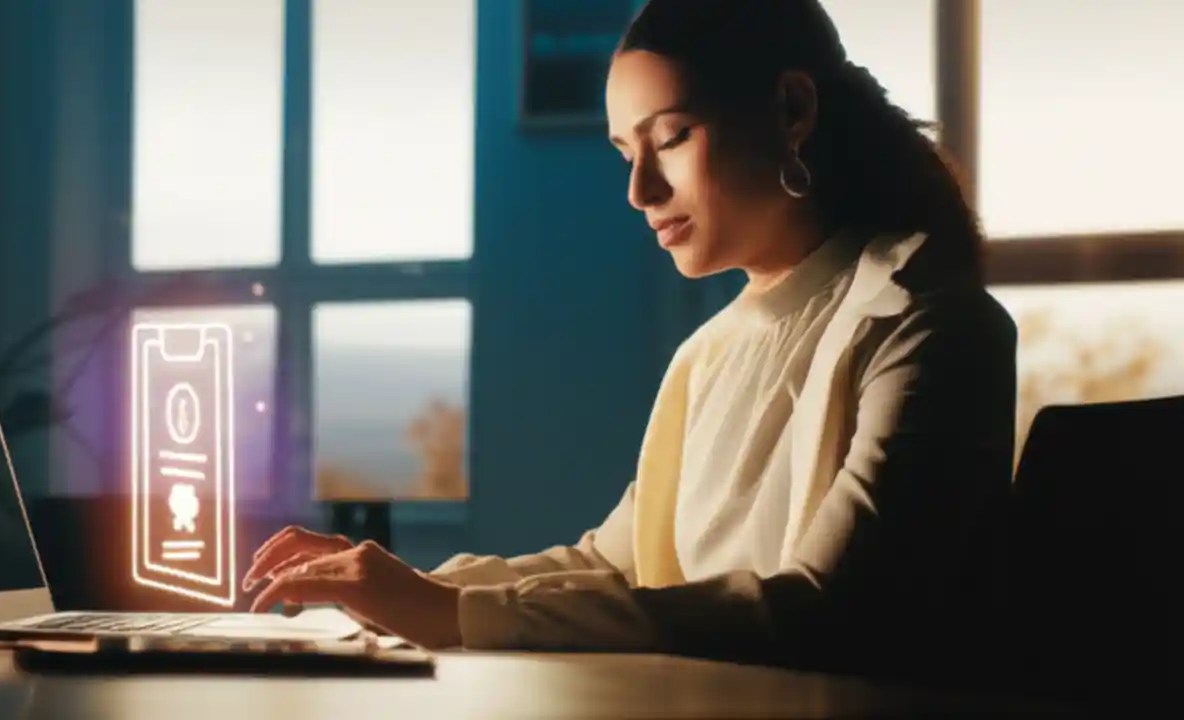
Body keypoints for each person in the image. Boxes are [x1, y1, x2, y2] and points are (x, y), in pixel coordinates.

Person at [243, 0, 1016, 681]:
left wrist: (454, 612)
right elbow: (612, 564)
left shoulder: (927, 323)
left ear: (790, 109)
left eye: (672, 137)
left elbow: (831, 610)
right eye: (625, 152)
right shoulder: (711, 352)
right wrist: (408, 590)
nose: (639, 191)